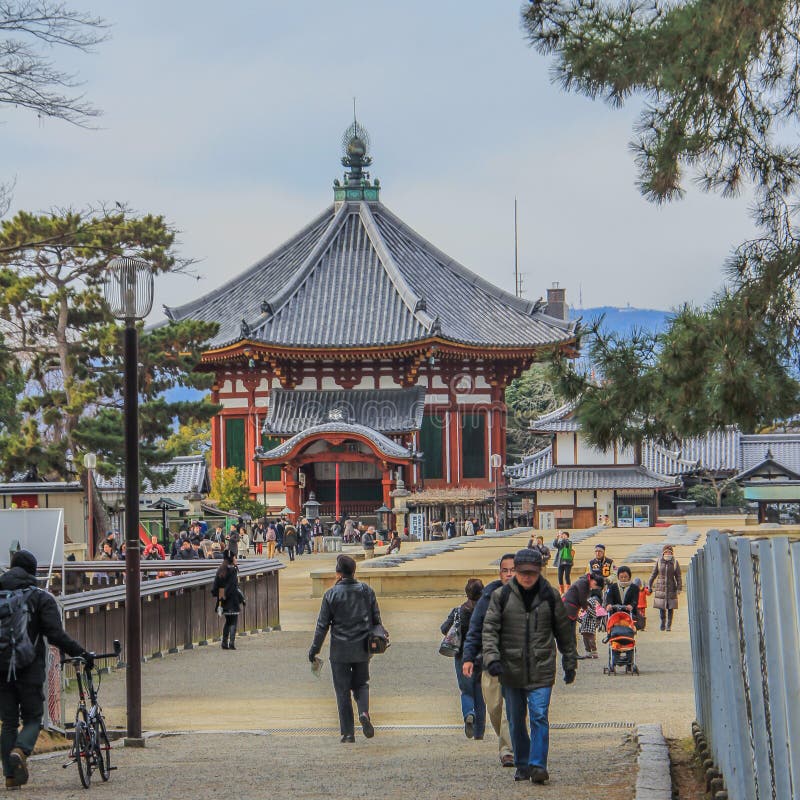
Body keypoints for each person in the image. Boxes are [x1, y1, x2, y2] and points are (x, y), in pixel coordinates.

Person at [482, 549, 578, 785]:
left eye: (532, 573)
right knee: (516, 719)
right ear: (516, 572)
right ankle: (523, 763)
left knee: (538, 715)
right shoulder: (501, 596)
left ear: (539, 572)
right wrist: (492, 658)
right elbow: (490, 629)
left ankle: (538, 765)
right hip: (510, 667)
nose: (527, 577)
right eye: (523, 573)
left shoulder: (550, 596)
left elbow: (563, 630)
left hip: (541, 666)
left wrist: (569, 659)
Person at [0, 550, 88, 788]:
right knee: (33, 718)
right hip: (29, 667)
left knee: (8, 722)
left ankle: (10, 777)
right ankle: (21, 750)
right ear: (33, 571)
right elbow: (55, 634)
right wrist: (80, 652)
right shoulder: (40, 598)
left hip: (1, 668)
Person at [308, 554, 383, 743]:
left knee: (342, 691)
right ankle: (364, 712)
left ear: (338, 573)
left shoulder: (331, 594)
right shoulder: (367, 591)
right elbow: (376, 620)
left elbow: (322, 625)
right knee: (361, 683)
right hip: (362, 647)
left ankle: (348, 733)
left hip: (339, 650)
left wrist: (314, 649)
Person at [462, 553, 516, 768]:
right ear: (500, 572)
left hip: (515, 661)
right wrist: (468, 657)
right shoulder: (488, 595)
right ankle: (507, 741)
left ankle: (508, 749)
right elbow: (475, 629)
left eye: (513, 570)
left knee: (510, 708)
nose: (509, 574)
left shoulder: (528, 593)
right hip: (490, 661)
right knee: (494, 708)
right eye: (505, 570)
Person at [441, 579, 485, 740]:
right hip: (481, 655)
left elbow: (444, 628)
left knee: (466, 690)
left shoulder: (458, 611)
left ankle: (469, 713)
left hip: (462, 655)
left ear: (467, 593)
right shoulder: (485, 611)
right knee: (480, 693)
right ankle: (479, 732)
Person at [562, 572, 606, 643]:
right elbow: (582, 599)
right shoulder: (583, 583)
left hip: (570, 609)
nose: (594, 588)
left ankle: (573, 653)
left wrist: (588, 605)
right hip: (568, 609)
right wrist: (588, 610)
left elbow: (583, 600)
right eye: (596, 587)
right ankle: (570, 653)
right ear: (594, 582)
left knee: (571, 633)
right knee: (569, 633)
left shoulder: (585, 582)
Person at [212, 550, 242, 650]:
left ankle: (224, 642)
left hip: (223, 598)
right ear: (232, 558)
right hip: (232, 598)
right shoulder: (233, 570)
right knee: (233, 621)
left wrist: (221, 595)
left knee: (227, 621)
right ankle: (232, 642)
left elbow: (216, 586)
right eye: (234, 557)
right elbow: (233, 586)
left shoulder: (220, 569)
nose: (235, 559)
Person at [648, 545, 682, 631]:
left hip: (671, 588)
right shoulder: (659, 562)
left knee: (670, 607)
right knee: (661, 607)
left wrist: (679, 588)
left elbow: (678, 576)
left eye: (670, 552)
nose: (668, 553)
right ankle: (662, 622)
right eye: (666, 552)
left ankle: (669, 625)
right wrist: (650, 584)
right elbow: (654, 574)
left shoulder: (675, 562)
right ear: (663, 553)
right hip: (661, 587)